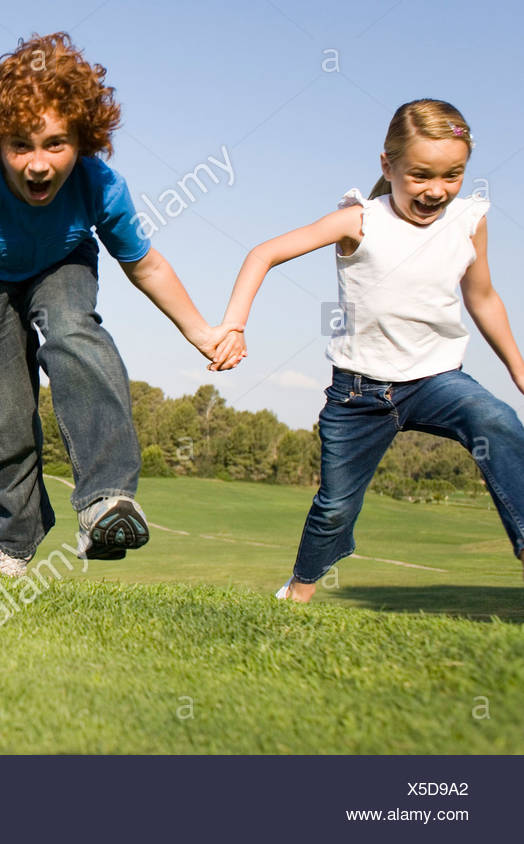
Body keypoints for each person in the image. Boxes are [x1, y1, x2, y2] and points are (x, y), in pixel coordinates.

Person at [0, 33, 243, 577]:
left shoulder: (98, 184)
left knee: (72, 332)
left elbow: (146, 264)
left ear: (84, 140)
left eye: (56, 144)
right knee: (8, 418)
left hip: (60, 264)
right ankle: (16, 543)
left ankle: (105, 501)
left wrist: (202, 332)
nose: (38, 165)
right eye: (21, 145)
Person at [218, 99, 524, 601]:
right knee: (336, 504)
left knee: (495, 420)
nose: (437, 191)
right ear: (389, 164)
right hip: (359, 392)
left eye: (453, 175)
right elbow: (264, 253)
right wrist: (235, 324)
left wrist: (517, 367)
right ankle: (300, 590)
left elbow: (482, 297)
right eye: (421, 175)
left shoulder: (469, 221)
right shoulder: (359, 220)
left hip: (436, 380)